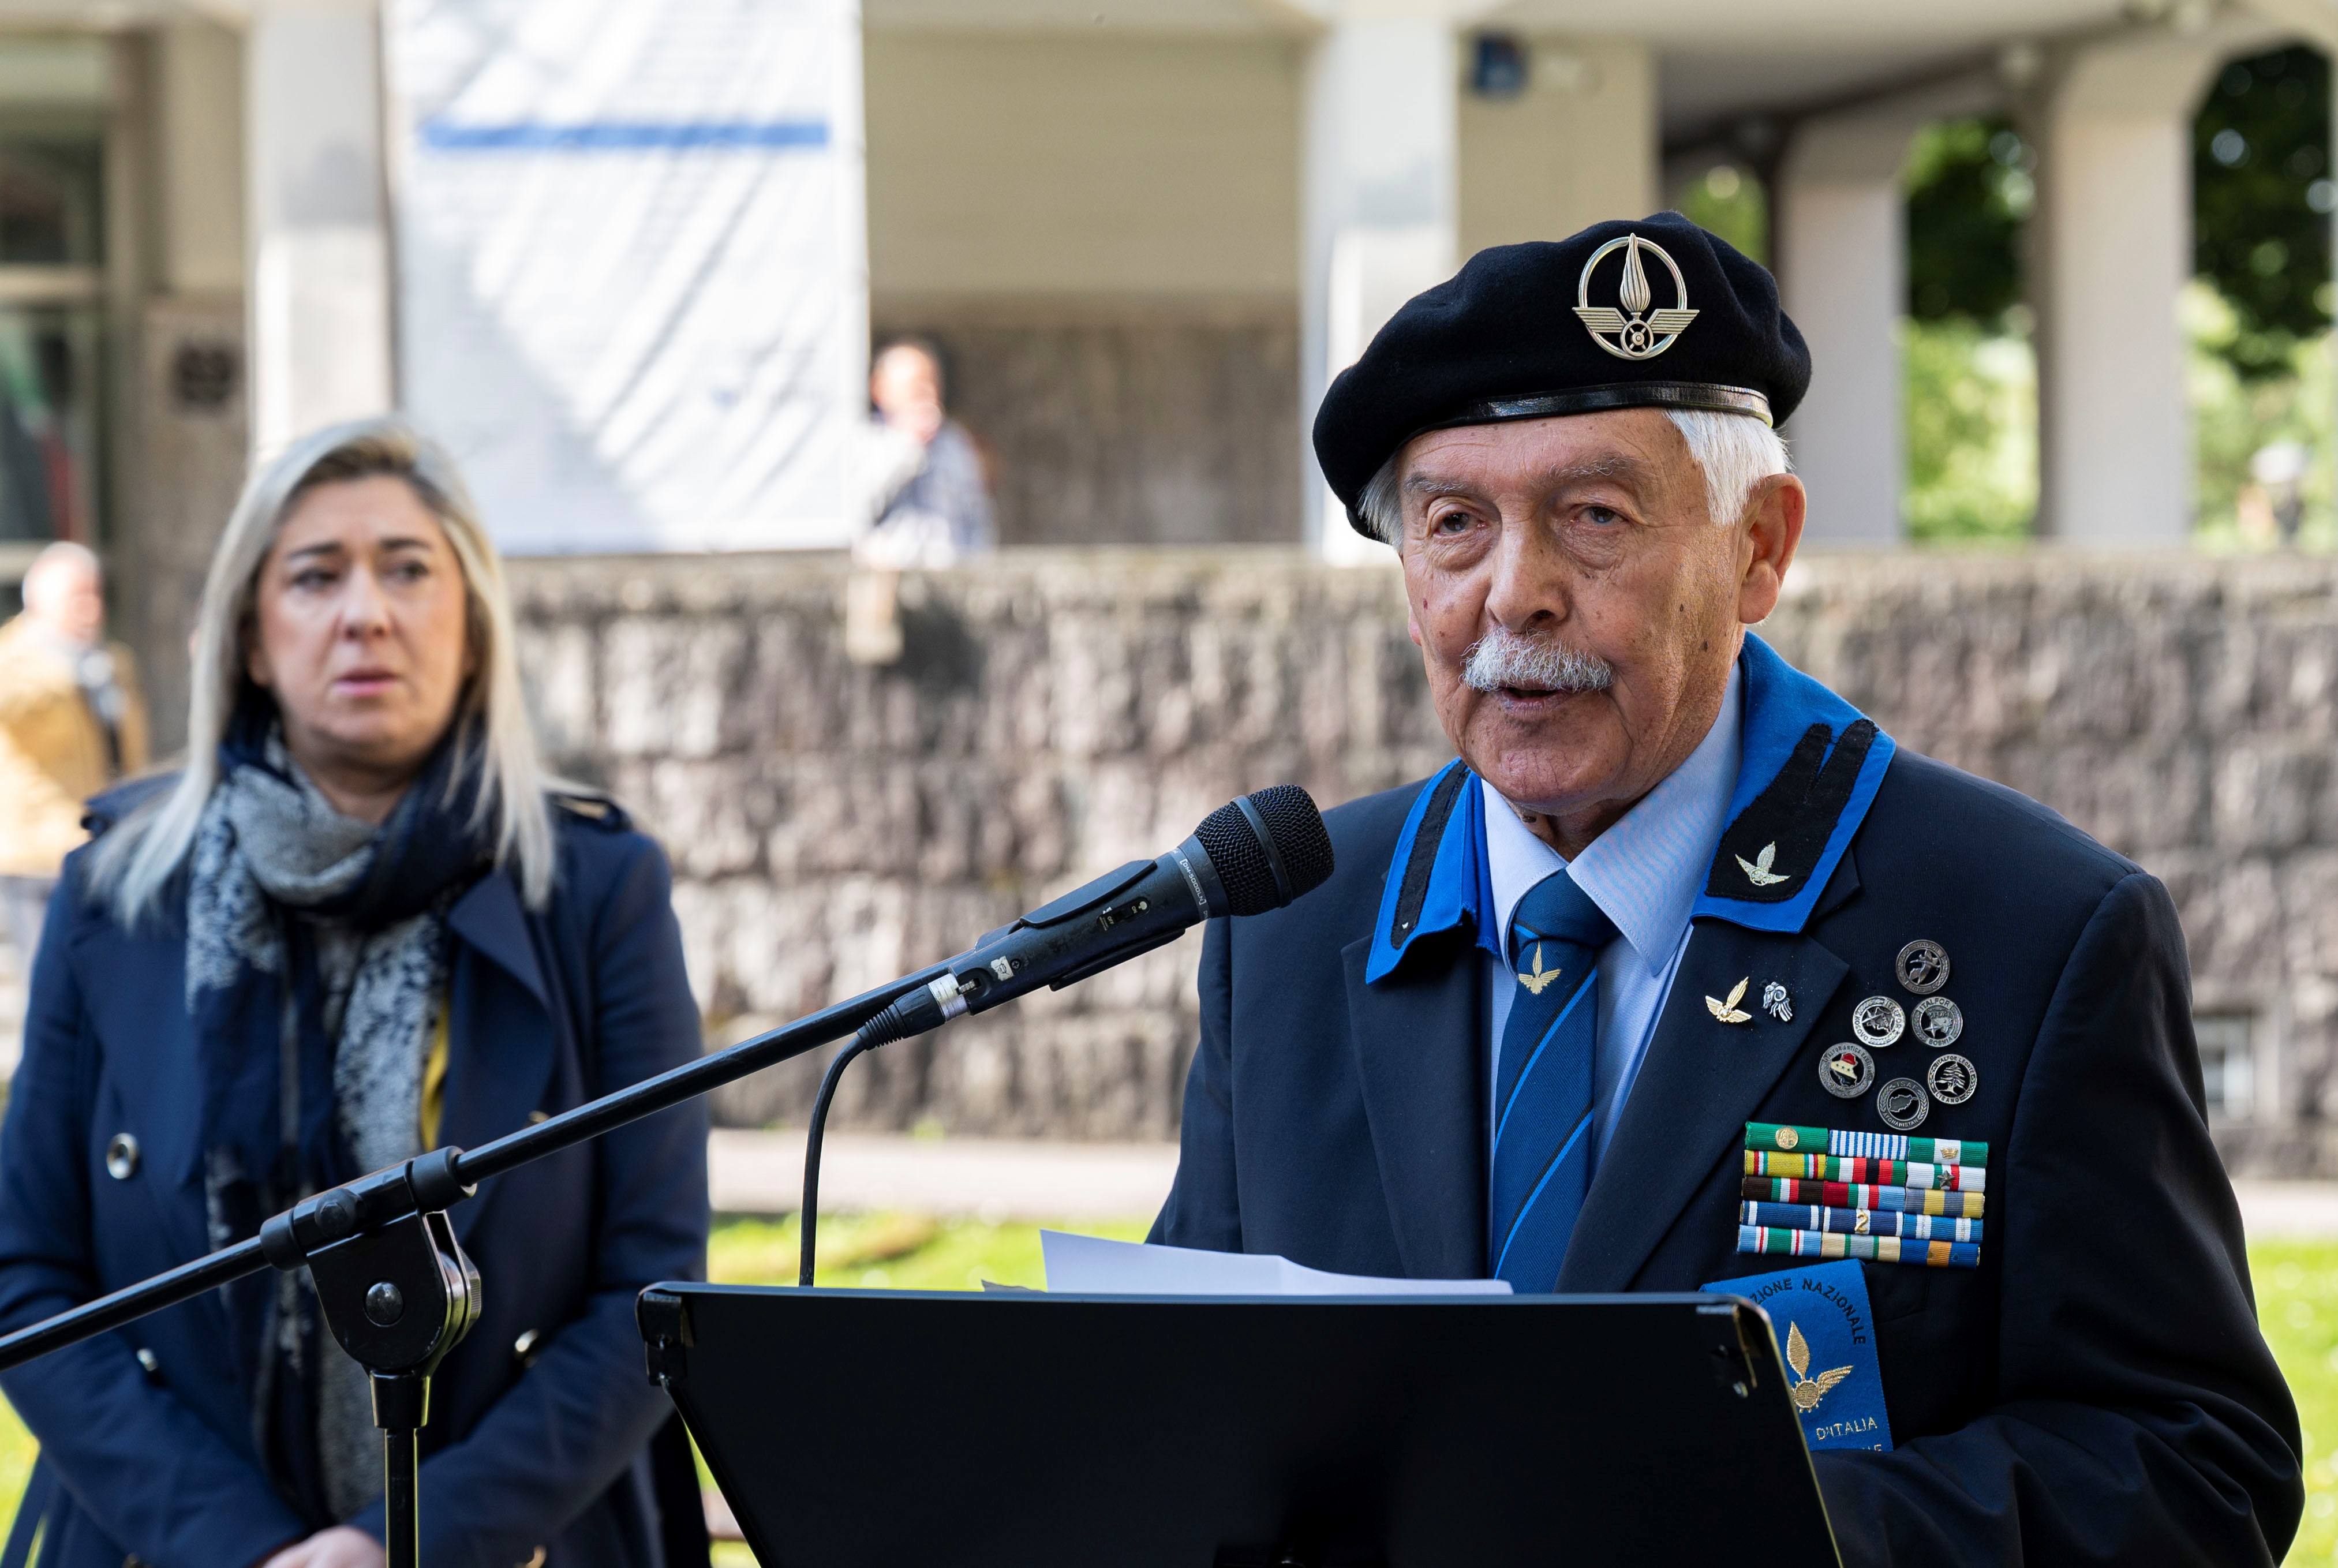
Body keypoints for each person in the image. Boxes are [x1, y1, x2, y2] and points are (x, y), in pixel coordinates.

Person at [1151, 213, 2301, 1565]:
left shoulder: (2026, 933)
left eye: (1593, 517)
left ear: (1758, 548)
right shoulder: (1290, 931)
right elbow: (1186, 1416)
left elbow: (2193, 1467)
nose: (1513, 596)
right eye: (1453, 524)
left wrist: (1759, 1530)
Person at [0, 418, 710, 1568]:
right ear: (251, 637)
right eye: (316, 575)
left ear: (473, 625)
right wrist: (241, 1545)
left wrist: (400, 1545)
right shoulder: (118, 894)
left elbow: (653, 1288)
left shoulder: (594, 890)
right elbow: (28, 1278)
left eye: (409, 568)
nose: (365, 611)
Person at [0, 540, 148, 970]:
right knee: (50, 976)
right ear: (40, 603)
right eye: (77, 597)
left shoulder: (111, 661)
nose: (90, 609)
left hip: (104, 841)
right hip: (39, 854)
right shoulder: (13, 660)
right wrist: (69, 672)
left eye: (95, 594)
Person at [856, 338, 996, 568]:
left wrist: (979, 564)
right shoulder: (863, 442)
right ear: (879, 388)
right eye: (918, 386)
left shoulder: (954, 442)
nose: (929, 394)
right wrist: (908, 445)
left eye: (933, 384)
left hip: (950, 574)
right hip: (888, 576)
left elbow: (977, 514)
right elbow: (856, 510)